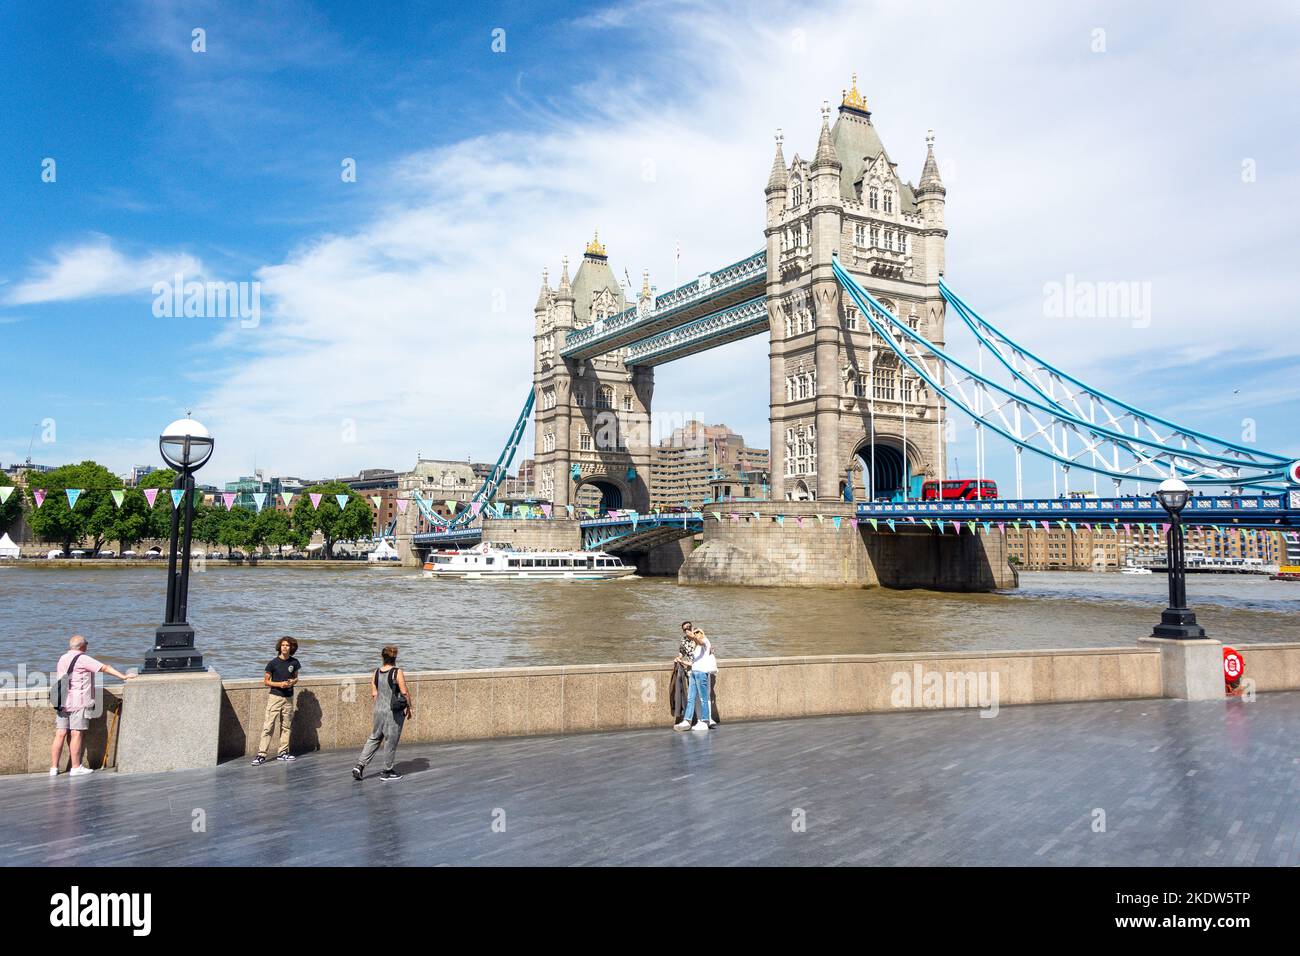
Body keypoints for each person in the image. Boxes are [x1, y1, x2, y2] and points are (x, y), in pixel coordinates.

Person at [50, 634, 134, 777]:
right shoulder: (83, 658)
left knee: (60, 733)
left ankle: (53, 768)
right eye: (87, 643)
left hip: (62, 701)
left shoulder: (62, 658)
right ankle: (76, 767)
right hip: (79, 701)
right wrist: (124, 677)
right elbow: (105, 668)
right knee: (76, 733)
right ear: (83, 646)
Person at [352, 645, 412, 781]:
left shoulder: (376, 672)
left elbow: (374, 693)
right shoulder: (397, 672)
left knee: (374, 738)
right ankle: (387, 771)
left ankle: (359, 766)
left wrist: (380, 705)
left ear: (382, 657)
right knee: (391, 740)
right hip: (393, 712)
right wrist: (409, 706)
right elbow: (404, 692)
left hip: (379, 710)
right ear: (395, 658)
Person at [251, 637, 302, 765]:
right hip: (275, 697)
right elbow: (266, 681)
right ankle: (261, 754)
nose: (285, 647)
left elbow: (296, 678)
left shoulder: (294, 662)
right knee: (268, 726)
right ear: (279, 647)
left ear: (292, 648)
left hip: (289, 697)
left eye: (287, 645)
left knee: (286, 726)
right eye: (283, 645)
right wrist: (279, 684)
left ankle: (283, 753)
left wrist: (292, 682)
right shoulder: (273, 663)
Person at [674, 627, 717, 732]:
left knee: (703, 698)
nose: (696, 634)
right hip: (694, 672)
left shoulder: (705, 641)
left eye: (698, 632)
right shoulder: (696, 647)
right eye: (695, 632)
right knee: (691, 698)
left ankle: (705, 721)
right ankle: (687, 721)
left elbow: (700, 642)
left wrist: (693, 637)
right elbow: (694, 662)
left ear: (702, 633)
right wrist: (681, 661)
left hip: (702, 673)